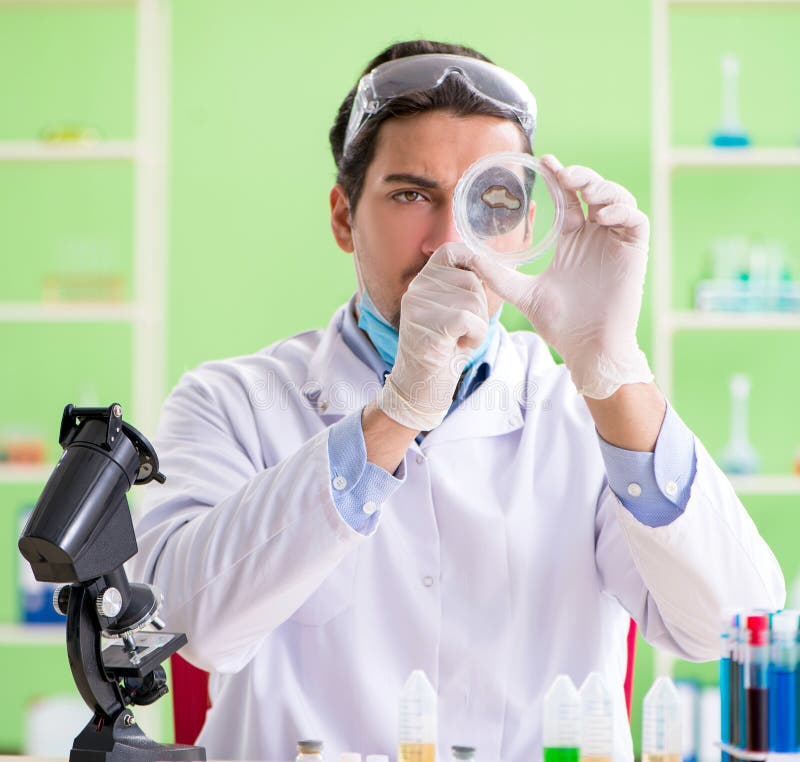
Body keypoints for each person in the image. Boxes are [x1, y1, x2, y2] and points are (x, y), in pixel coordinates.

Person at [131, 39, 784, 762]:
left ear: (529, 228)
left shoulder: (583, 409)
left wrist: (614, 370)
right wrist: (396, 413)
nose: (451, 240)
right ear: (344, 217)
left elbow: (729, 622)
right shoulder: (230, 401)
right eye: (412, 195)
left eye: (493, 202)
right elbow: (184, 626)